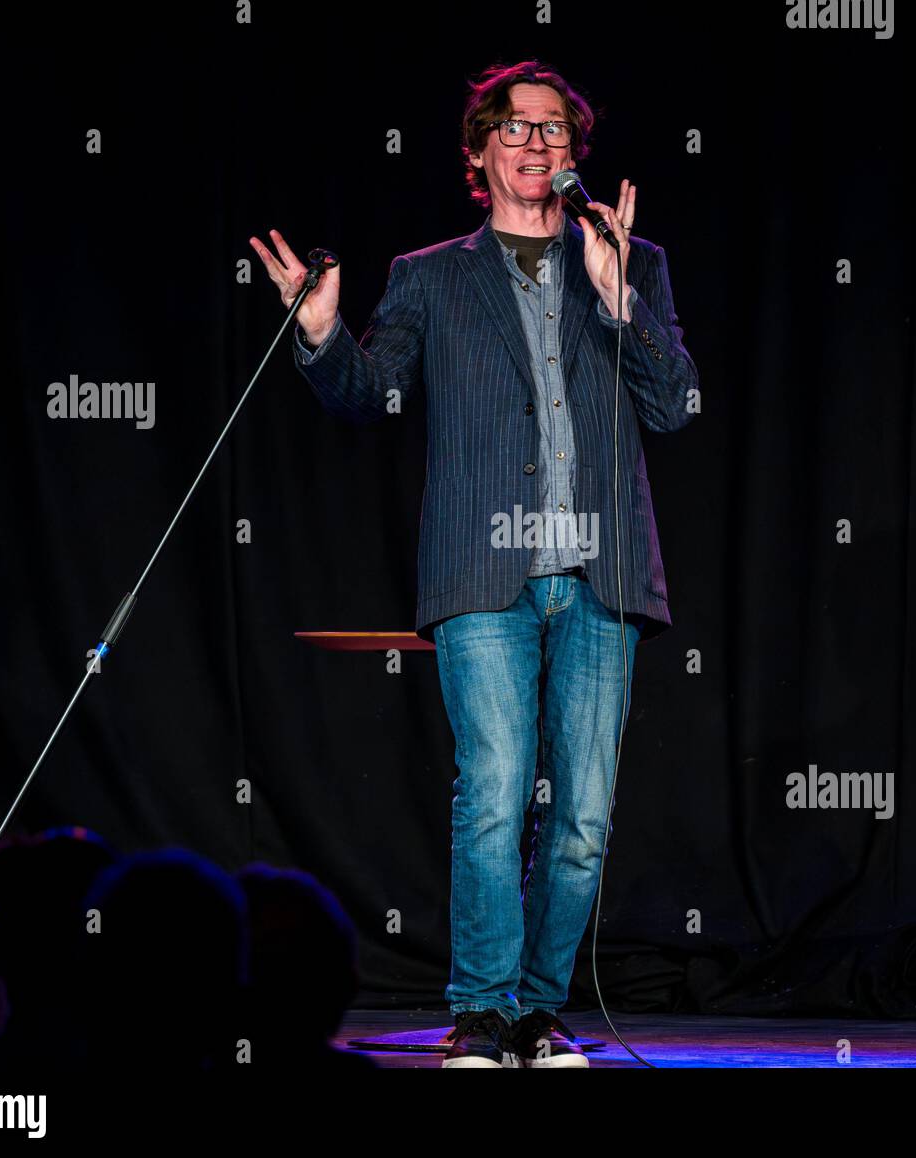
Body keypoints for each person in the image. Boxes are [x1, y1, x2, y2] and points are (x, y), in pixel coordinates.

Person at [251, 59, 699, 1068]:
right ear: (478, 154)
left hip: (601, 574)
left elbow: (675, 408)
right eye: (514, 128)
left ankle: (540, 1012)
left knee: (581, 816)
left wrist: (620, 303)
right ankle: (483, 1012)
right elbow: (371, 394)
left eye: (553, 131)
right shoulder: (429, 275)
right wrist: (319, 337)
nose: (535, 145)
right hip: (480, 572)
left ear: (574, 154)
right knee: (494, 789)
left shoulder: (633, 261)